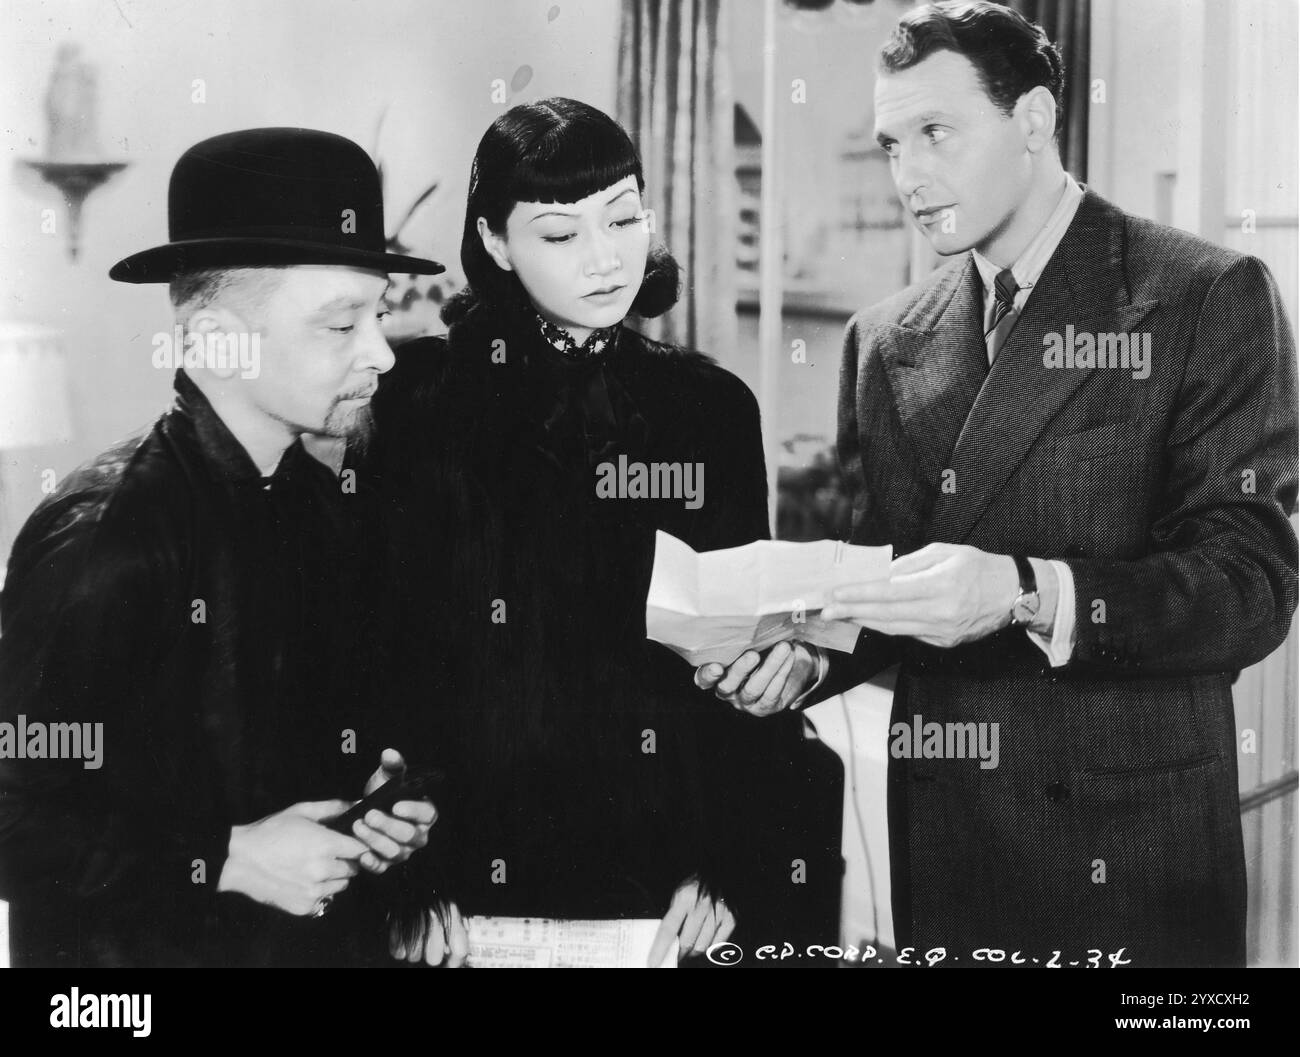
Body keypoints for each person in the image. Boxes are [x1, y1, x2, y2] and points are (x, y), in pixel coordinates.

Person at [698, 1, 1298, 967]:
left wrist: (1026, 591)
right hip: (950, 845)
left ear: (1032, 121)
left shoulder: (1204, 296)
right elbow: (879, 589)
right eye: (892, 144)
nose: (908, 177)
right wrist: (805, 662)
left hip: (1129, 858)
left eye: (936, 133)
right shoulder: (883, 340)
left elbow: (1251, 588)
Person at [362, 98, 844, 967]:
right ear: (497, 243)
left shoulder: (710, 410)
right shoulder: (411, 402)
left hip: (657, 897)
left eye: (622, 219)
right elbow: (375, 658)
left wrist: (725, 866)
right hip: (459, 899)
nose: (603, 258)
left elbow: (740, 661)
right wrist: (397, 878)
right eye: (559, 233)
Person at [0, 128, 442, 967]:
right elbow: (14, 817)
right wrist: (229, 856)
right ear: (212, 339)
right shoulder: (105, 538)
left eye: (377, 314)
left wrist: (377, 805)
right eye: (341, 323)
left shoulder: (327, 508)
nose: (381, 354)